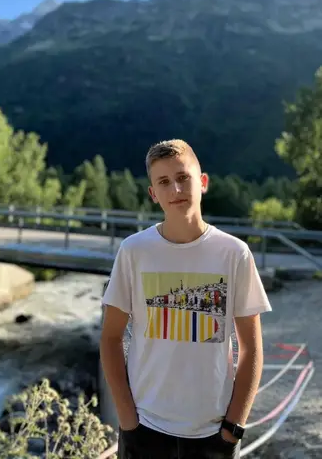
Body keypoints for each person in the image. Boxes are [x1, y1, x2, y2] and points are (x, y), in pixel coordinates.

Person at [100, 139, 272, 459]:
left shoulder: (234, 254)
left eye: (183, 177)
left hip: (212, 433)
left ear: (202, 182)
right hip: (145, 429)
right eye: (163, 182)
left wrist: (233, 428)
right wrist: (127, 420)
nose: (175, 189)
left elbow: (252, 348)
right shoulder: (134, 251)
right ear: (153, 193)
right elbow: (111, 337)